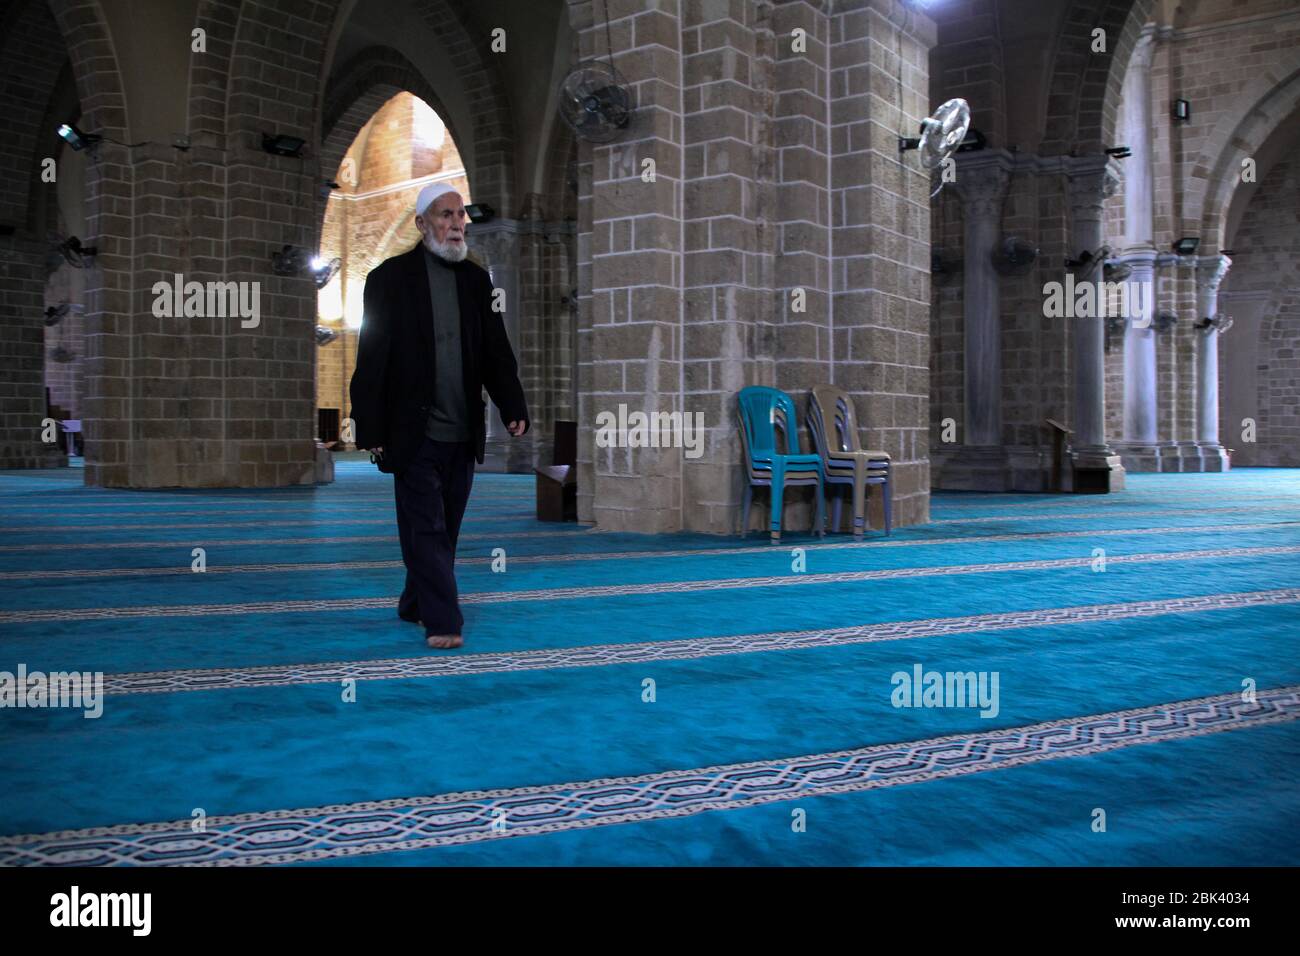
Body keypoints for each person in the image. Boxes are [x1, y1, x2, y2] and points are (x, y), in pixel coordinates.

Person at [350, 182, 529, 649]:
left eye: (461, 216)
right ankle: (443, 619)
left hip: (461, 428)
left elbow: (496, 350)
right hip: (412, 429)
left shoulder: (477, 281)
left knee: (445, 527)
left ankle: (413, 600)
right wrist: (369, 426)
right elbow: (372, 356)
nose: (457, 224)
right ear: (421, 224)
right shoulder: (388, 279)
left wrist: (513, 406)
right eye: (446, 215)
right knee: (426, 525)